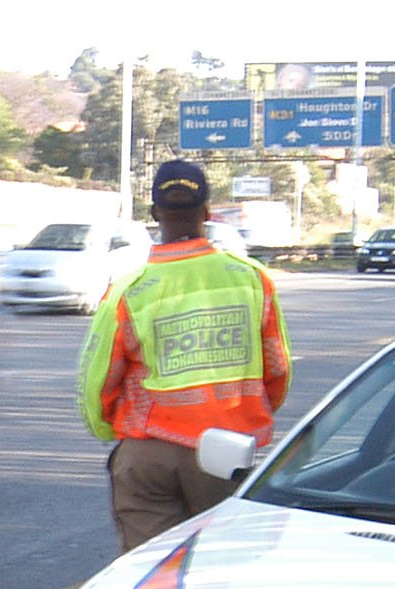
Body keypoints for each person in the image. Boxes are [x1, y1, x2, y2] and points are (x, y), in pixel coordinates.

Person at [77, 158, 293, 553]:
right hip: (227, 451)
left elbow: (98, 381)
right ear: (207, 212)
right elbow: (277, 371)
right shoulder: (251, 279)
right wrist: (243, 417)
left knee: (150, 575)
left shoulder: (129, 291)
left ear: (155, 213)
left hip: (149, 455)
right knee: (222, 572)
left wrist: (115, 433)